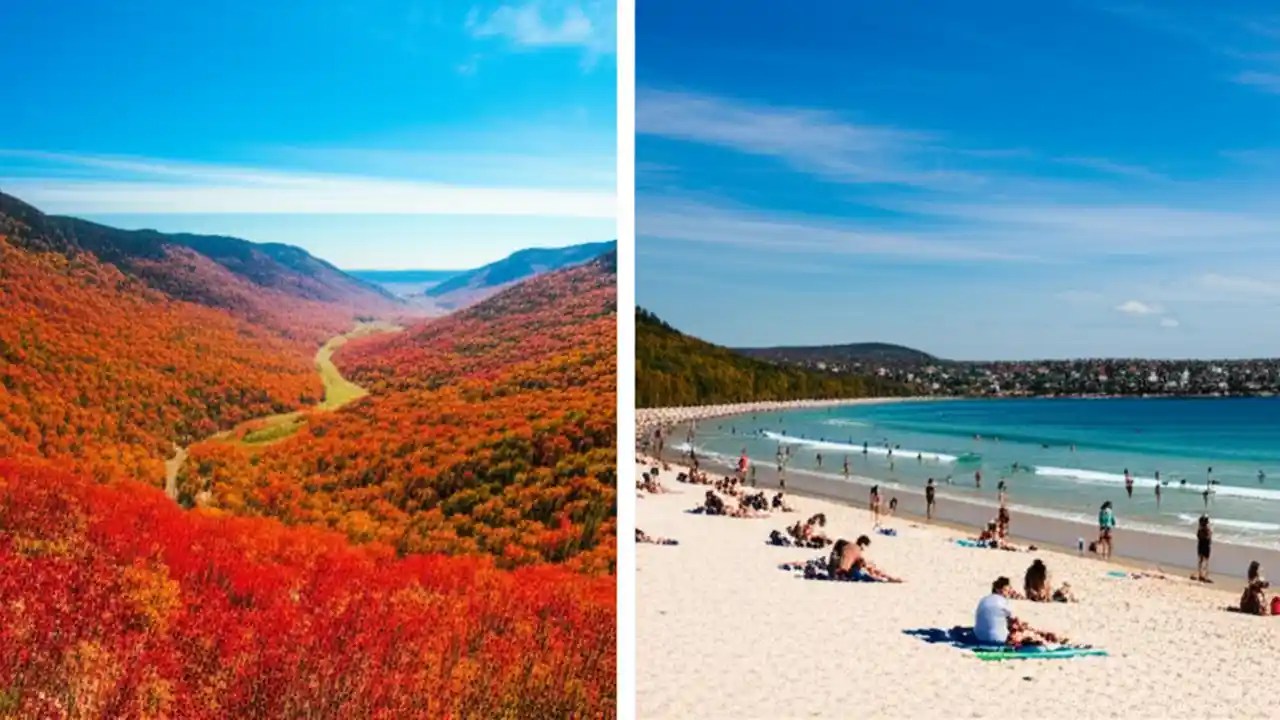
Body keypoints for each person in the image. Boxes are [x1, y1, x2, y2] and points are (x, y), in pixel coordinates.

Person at [974, 577, 1064, 647]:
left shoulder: (984, 599)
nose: (1008, 593)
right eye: (1006, 590)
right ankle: (1051, 640)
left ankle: (1050, 637)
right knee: (1025, 633)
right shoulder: (1003, 602)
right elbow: (1015, 623)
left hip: (978, 636)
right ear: (998, 589)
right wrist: (1028, 628)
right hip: (997, 640)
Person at [1194, 515, 1212, 583]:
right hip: (1205, 546)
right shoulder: (1206, 530)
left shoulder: (1200, 530)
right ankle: (1204, 575)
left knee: (1201, 561)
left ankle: (1200, 574)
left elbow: (1199, 537)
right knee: (1205, 561)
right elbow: (1208, 538)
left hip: (1200, 546)